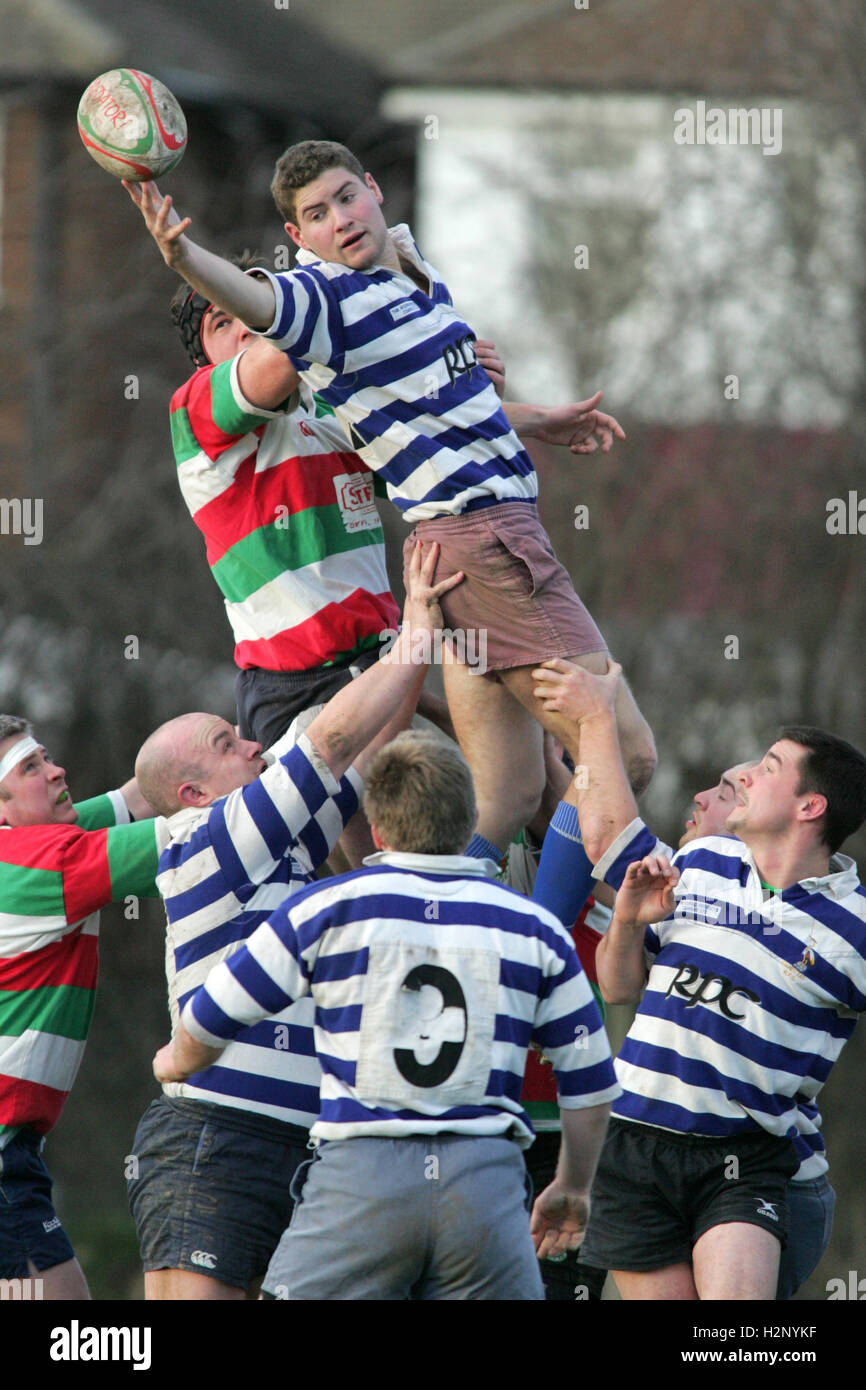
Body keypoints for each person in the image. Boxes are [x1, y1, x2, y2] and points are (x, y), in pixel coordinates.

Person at [122, 138, 656, 863]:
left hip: (400, 647)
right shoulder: (203, 411)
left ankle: (508, 942)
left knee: (502, 803)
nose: (246, 330)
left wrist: (516, 408)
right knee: (606, 762)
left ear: (372, 189)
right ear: (201, 355)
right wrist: (191, 261)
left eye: (349, 197)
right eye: (224, 323)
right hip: (304, 689)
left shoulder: (327, 405)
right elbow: (282, 326)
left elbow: (418, 425)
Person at [151, 729, 619, 1301]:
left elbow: (210, 1017)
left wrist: (176, 1058)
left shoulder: (328, 908)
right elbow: (591, 1082)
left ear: (376, 827)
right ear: (471, 818)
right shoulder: (534, 928)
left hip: (360, 1182)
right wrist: (572, 1184)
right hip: (487, 1188)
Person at [125, 540, 463, 1300]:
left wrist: (412, 648)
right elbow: (332, 739)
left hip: (303, 1148)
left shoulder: (280, 845)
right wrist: (412, 632)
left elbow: (371, 747)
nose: (251, 743)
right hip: (215, 1136)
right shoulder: (210, 842)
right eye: (227, 743)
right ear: (190, 794)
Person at [532, 662, 866, 1299]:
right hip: (632, 1143)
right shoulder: (704, 861)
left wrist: (600, 714)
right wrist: (628, 916)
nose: (745, 775)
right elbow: (619, 985)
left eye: (767, 767)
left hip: (741, 1159)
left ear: (809, 806)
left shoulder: (853, 927)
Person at [0, 715, 162, 1299]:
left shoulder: (33, 843)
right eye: (30, 768)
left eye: (45, 757)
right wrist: (312, 752)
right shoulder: (35, 865)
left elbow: (146, 793)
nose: (56, 769)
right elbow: (204, 832)